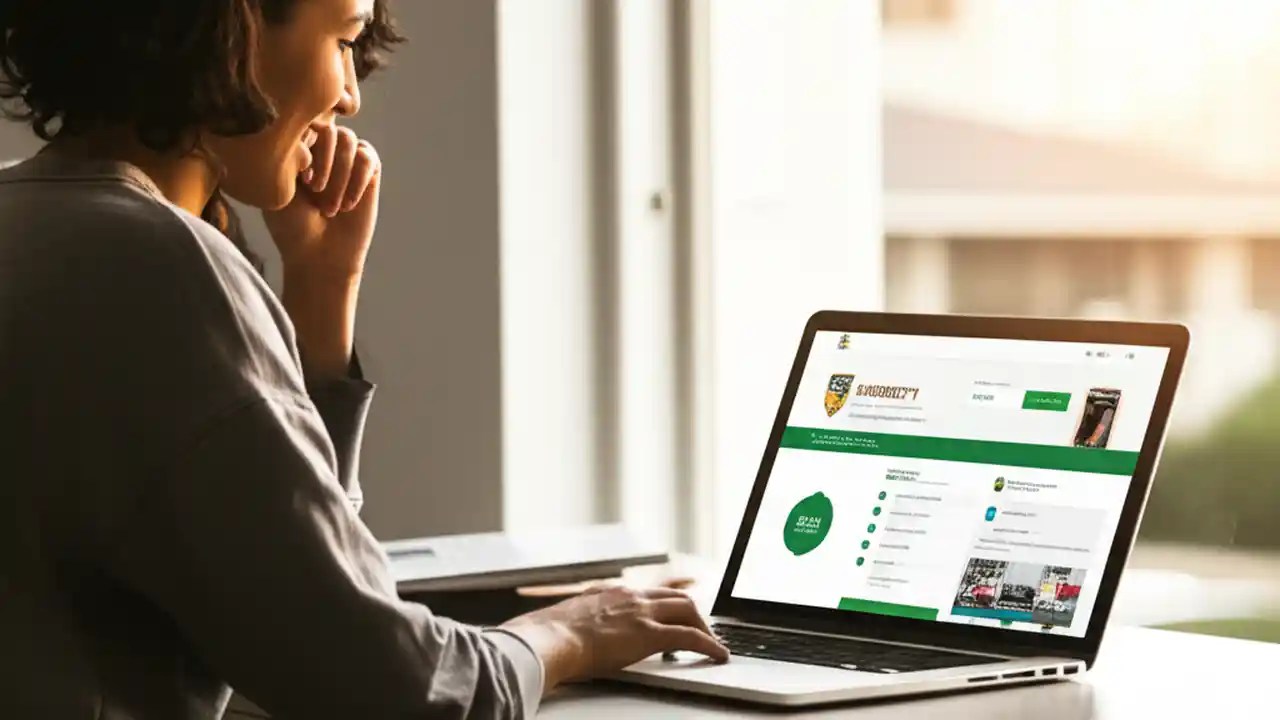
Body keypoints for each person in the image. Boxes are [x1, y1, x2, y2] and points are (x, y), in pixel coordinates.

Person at [0, 1, 727, 718]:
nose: (349, 94)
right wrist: (569, 631)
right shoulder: (159, 269)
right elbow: (388, 688)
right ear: (234, 31)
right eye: (344, 40)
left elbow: (285, 611)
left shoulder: (31, 219)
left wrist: (320, 289)